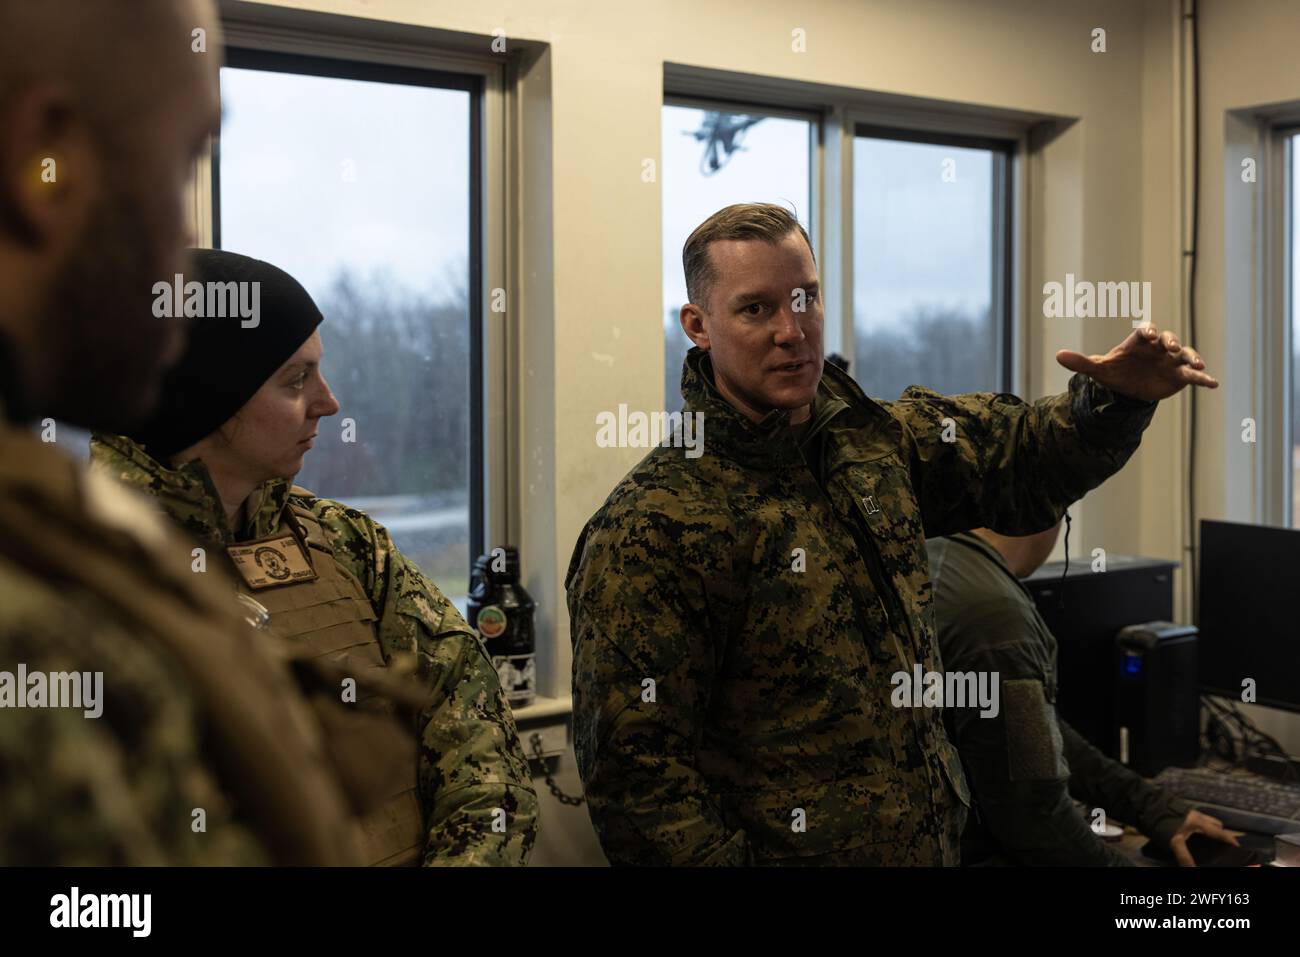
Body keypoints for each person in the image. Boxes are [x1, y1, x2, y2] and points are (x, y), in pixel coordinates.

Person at [566, 202, 1220, 866]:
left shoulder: (876, 449)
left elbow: (1018, 458)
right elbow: (641, 789)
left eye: (805, 299)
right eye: (756, 309)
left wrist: (1117, 401)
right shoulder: (651, 526)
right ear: (699, 326)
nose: (792, 331)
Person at [0, 0, 394, 865]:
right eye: (175, 165)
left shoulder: (72, 528)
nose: (184, 244)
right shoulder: (38, 615)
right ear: (46, 166)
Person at [91, 248, 540, 866]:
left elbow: (480, 741)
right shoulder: (87, 570)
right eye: (295, 379)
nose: (327, 403)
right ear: (209, 397)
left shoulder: (351, 546)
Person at [926, 523, 1239, 866]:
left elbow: (1035, 738)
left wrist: (1153, 808)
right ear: (1052, 513)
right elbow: (1036, 822)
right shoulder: (994, 615)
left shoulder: (938, 553)